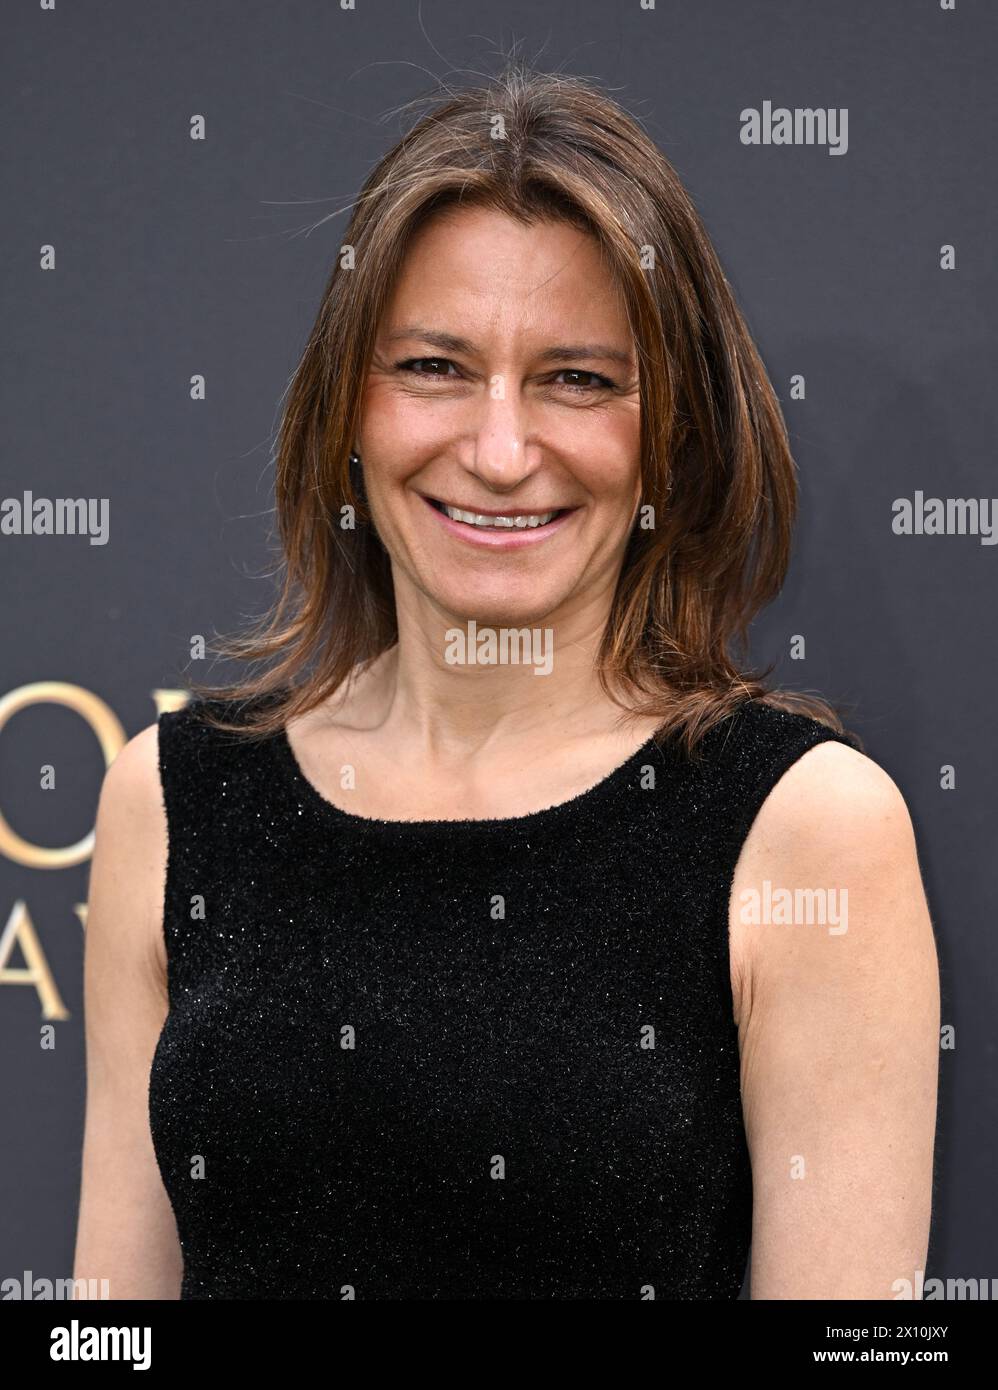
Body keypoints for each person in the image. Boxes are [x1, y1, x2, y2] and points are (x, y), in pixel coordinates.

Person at [73, 62, 939, 1300]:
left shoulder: (803, 830)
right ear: (345, 412)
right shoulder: (168, 799)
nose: (496, 450)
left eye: (576, 380)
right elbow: (111, 1329)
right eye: (431, 366)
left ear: (672, 434)